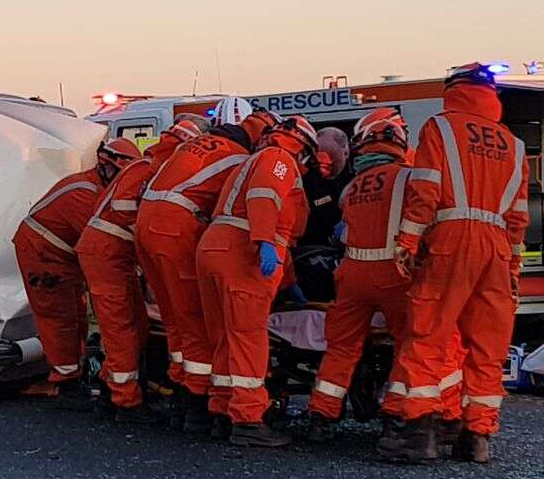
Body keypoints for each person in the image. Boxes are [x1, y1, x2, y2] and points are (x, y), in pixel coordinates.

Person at [379, 64, 528, 465]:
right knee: (487, 347)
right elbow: (518, 216)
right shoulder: (514, 144)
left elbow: (425, 187)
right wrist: (513, 265)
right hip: (497, 247)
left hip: (452, 237)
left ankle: (419, 434)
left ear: (453, 91)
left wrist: (409, 239)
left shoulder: (440, 127)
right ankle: (477, 437)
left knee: (427, 335)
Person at [135, 100, 267, 431]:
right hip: (176, 228)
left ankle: (181, 392)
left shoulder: (196, 144)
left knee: (174, 317)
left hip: (146, 224)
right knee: (195, 318)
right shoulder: (242, 158)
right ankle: (196, 402)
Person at [195, 114, 317, 447]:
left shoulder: (252, 160)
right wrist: (263, 241)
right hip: (243, 252)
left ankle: (223, 409)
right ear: (303, 147)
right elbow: (264, 198)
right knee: (248, 337)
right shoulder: (280, 159)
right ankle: (248, 418)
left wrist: (288, 279)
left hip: (215, 246)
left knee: (224, 336)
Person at [76, 120, 205, 422]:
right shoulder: (147, 167)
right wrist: (152, 233)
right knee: (122, 328)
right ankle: (125, 402)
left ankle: (112, 391)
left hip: (111, 251)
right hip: (108, 252)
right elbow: (123, 209)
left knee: (134, 325)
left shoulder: (153, 167)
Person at [304, 117, 413, 442]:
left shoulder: (354, 186)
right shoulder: (409, 178)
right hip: (395, 273)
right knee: (408, 344)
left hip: (352, 274)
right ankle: (395, 418)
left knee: (341, 347)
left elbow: (342, 232)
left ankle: (321, 416)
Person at [15, 138, 140, 399]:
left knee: (76, 313)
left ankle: (72, 372)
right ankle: (64, 382)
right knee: (59, 315)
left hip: (59, 251)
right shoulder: (85, 193)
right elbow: (104, 244)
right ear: (108, 166)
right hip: (43, 252)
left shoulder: (97, 188)